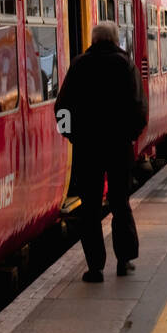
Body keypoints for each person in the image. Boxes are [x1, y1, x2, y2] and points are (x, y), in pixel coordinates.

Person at [55, 21, 148, 282]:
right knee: (120, 204)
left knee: (90, 209)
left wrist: (70, 135)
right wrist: (130, 136)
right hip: (119, 148)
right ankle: (124, 259)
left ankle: (95, 267)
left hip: (87, 149)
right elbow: (139, 108)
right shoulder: (126, 65)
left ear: (94, 40)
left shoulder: (79, 65)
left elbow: (61, 108)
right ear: (116, 40)